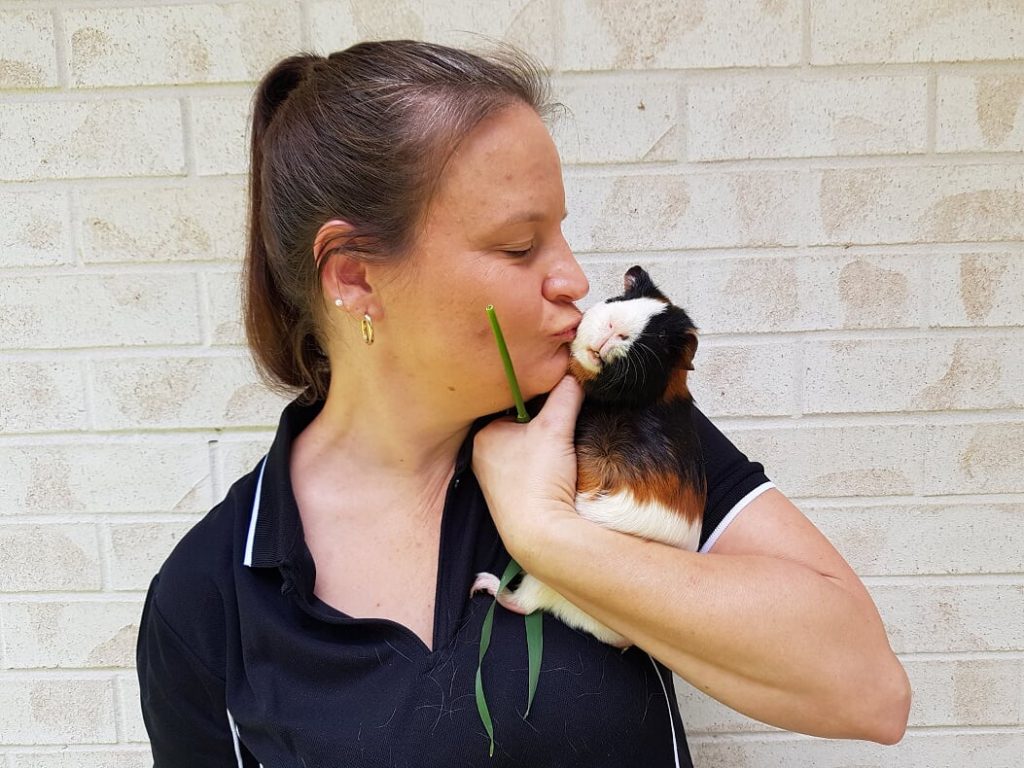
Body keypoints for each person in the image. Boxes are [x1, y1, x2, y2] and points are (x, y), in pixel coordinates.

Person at [136, 40, 911, 767]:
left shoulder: (614, 422)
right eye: (518, 246)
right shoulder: (211, 600)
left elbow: (869, 690)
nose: (573, 278)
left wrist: (549, 535)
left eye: (561, 236)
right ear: (354, 277)